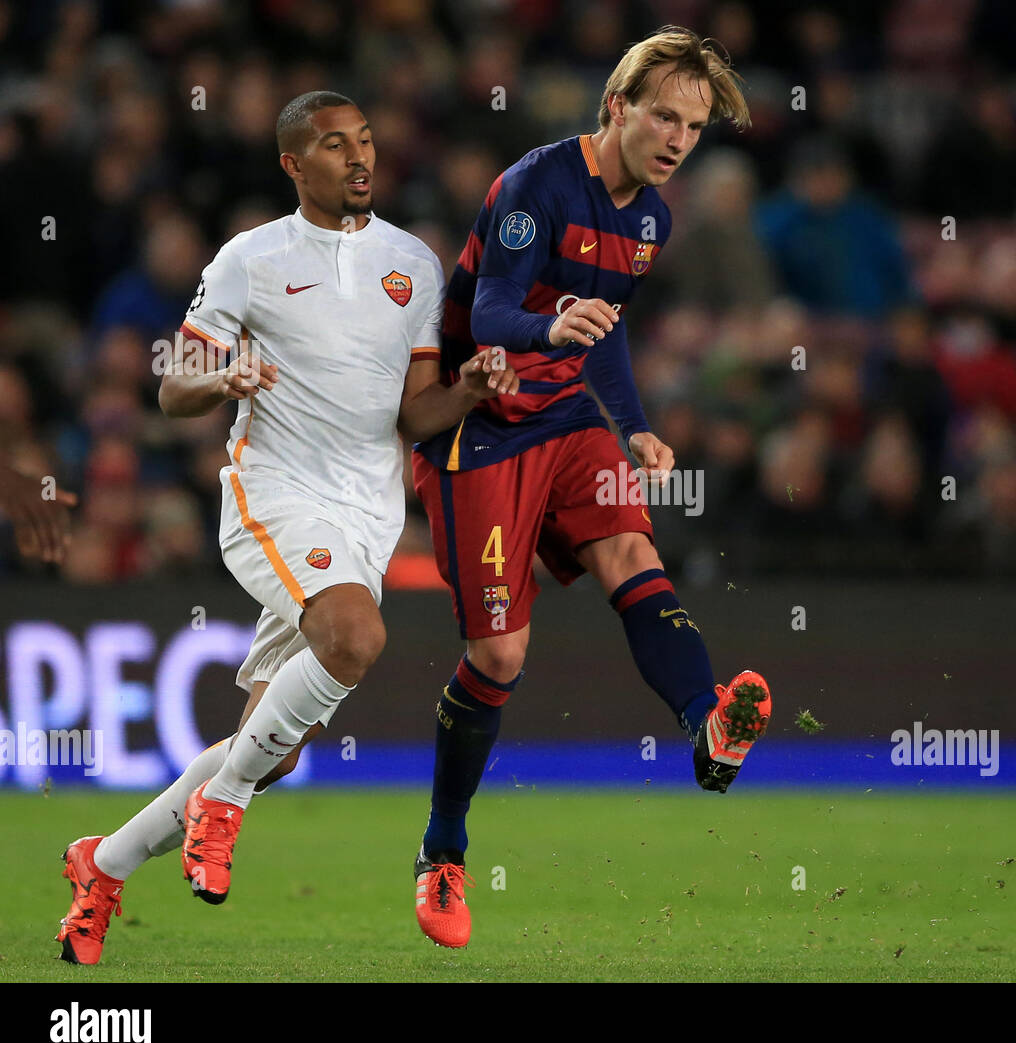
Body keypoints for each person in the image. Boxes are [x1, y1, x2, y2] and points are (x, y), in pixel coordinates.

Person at [55, 91, 518, 965]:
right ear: (292, 165)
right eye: (334, 146)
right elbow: (172, 388)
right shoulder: (250, 259)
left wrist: (472, 392)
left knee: (276, 748)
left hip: (367, 514)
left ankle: (104, 864)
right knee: (354, 637)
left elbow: (416, 416)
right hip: (272, 491)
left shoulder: (413, 265)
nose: (358, 159)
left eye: (367, 142)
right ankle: (221, 806)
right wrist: (221, 379)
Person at [406, 26, 771, 949]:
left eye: (694, 125)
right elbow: (489, 311)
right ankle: (443, 853)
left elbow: (603, 332)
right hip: (478, 425)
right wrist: (552, 318)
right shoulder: (536, 184)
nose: (680, 139)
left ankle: (707, 725)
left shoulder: (651, 218)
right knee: (499, 659)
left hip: (566, 419)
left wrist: (634, 423)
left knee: (632, 551)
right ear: (617, 107)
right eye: (665, 116)